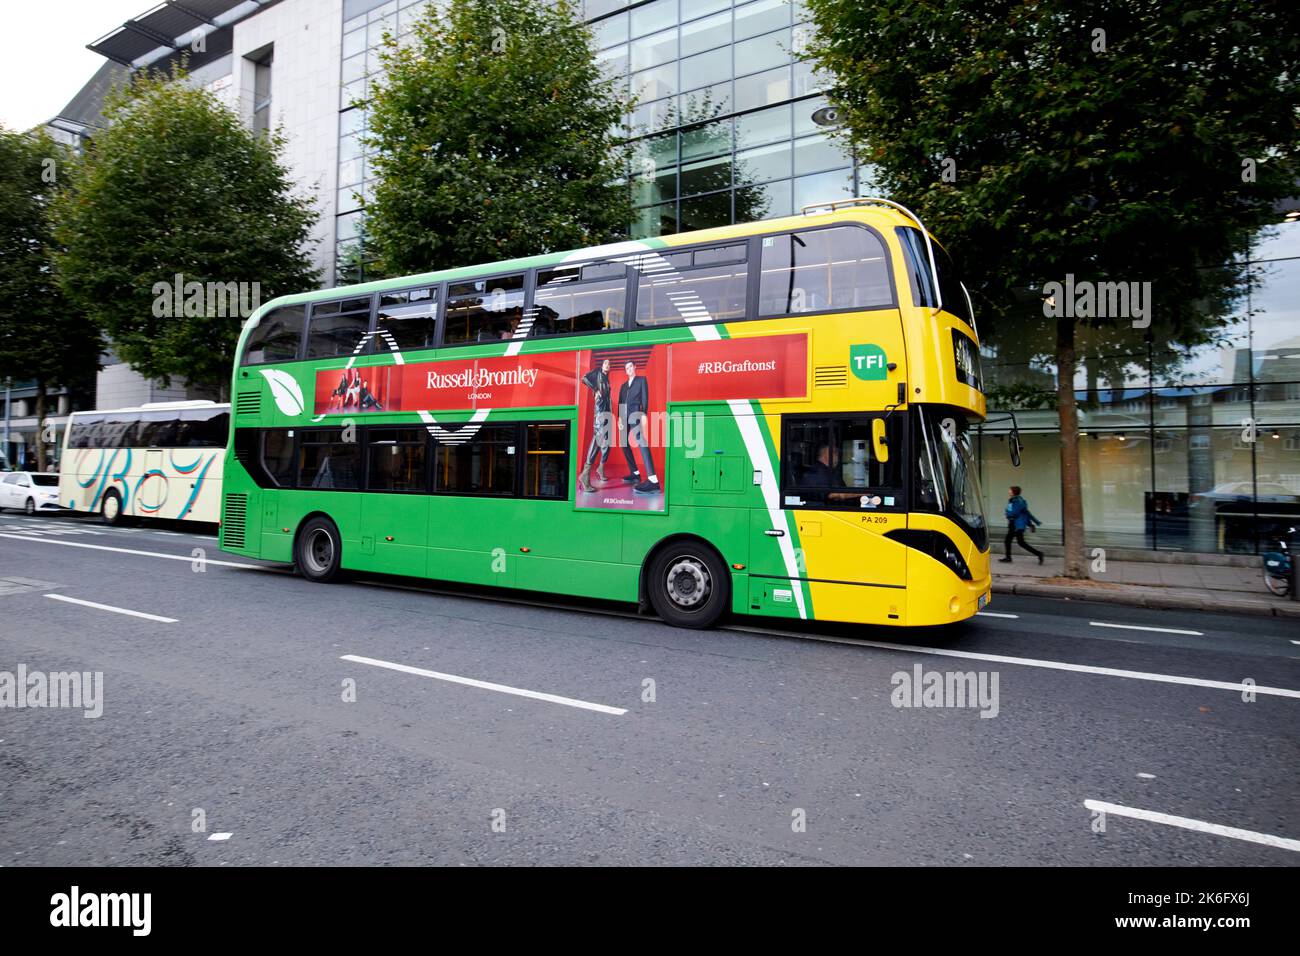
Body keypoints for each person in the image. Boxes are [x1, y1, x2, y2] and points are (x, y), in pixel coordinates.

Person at [618, 360, 660, 495]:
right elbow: (620, 403)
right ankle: (635, 473)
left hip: (636, 413)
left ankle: (653, 480)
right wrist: (619, 418)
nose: (629, 369)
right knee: (624, 444)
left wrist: (644, 414)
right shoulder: (623, 386)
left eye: (630, 366)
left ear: (635, 367)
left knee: (641, 442)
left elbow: (645, 399)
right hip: (624, 417)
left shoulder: (641, 380)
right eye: (626, 368)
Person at [578, 358, 612, 492]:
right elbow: (584, 378)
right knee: (598, 439)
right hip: (599, 413)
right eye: (605, 363)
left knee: (606, 442)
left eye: (609, 364)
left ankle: (600, 468)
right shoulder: (597, 373)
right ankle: (585, 474)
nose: (607, 365)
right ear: (602, 365)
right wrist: (595, 389)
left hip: (606, 413)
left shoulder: (607, 379)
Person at [1000, 485, 1043, 564]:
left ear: (1013, 492)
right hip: (1016, 524)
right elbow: (1026, 513)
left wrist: (1007, 513)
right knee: (1019, 542)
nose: (1008, 491)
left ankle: (1008, 558)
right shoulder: (1016, 500)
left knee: (1009, 541)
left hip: (1016, 525)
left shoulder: (1017, 501)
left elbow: (1015, 513)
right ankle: (1039, 554)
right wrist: (1030, 524)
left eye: (1010, 490)